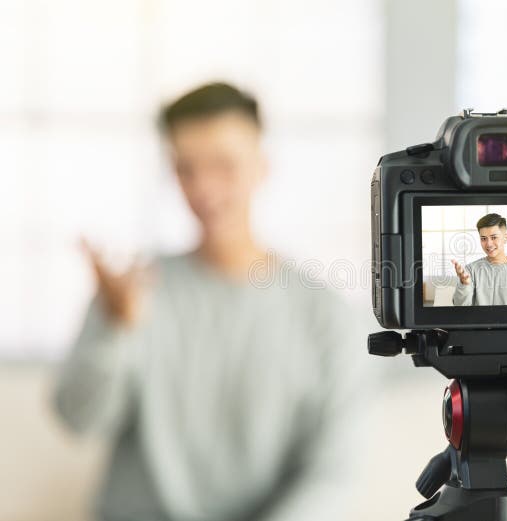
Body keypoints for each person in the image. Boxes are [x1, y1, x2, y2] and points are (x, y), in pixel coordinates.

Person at [53, 82, 366, 521]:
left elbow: (332, 472)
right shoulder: (132, 291)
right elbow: (77, 420)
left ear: (262, 167)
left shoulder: (325, 315)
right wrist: (114, 330)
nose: (204, 188)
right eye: (186, 168)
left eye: (224, 165)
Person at [451, 213, 507, 306]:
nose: (488, 244)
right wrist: (464, 285)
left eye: (494, 237)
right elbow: (460, 309)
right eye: (483, 238)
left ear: (505, 238)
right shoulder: (470, 271)